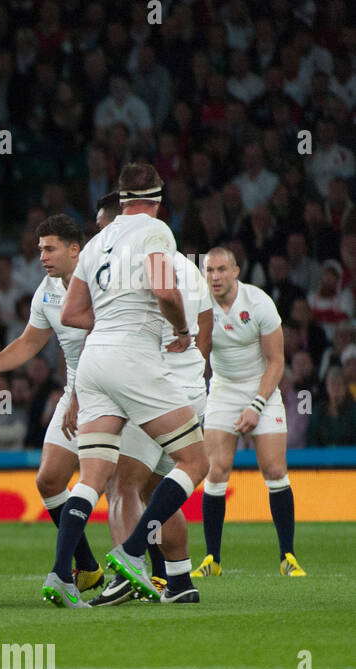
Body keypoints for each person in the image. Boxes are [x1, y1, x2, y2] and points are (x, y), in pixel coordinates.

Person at [48, 163, 211, 607]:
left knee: (97, 476)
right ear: (157, 201)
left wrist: (111, 322)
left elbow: (69, 314)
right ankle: (134, 551)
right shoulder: (156, 233)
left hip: (94, 361)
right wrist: (181, 329)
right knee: (194, 460)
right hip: (133, 359)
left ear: (119, 199)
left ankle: (62, 572)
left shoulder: (97, 241)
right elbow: (164, 289)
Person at [0, 213, 104, 594]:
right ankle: (87, 567)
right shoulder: (48, 288)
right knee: (50, 479)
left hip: (110, 389)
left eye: (50, 248)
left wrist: (76, 396)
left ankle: (160, 571)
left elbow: (105, 343)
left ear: (76, 250)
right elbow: (29, 341)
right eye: (40, 249)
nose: (42, 256)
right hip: (77, 389)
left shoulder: (101, 283)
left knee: (125, 487)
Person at [97, 193, 214, 605]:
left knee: (122, 486)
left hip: (154, 393)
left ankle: (128, 573)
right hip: (191, 391)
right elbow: (206, 332)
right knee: (156, 490)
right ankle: (181, 582)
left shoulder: (126, 271)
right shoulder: (192, 269)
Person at [194, 246, 306, 578]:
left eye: (221, 270)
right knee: (217, 470)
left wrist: (256, 405)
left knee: (274, 469)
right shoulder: (200, 306)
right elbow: (198, 353)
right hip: (223, 389)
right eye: (209, 271)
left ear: (236, 271)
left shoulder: (259, 304)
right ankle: (212, 559)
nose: (214, 277)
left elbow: (277, 361)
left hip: (263, 389)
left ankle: (288, 556)